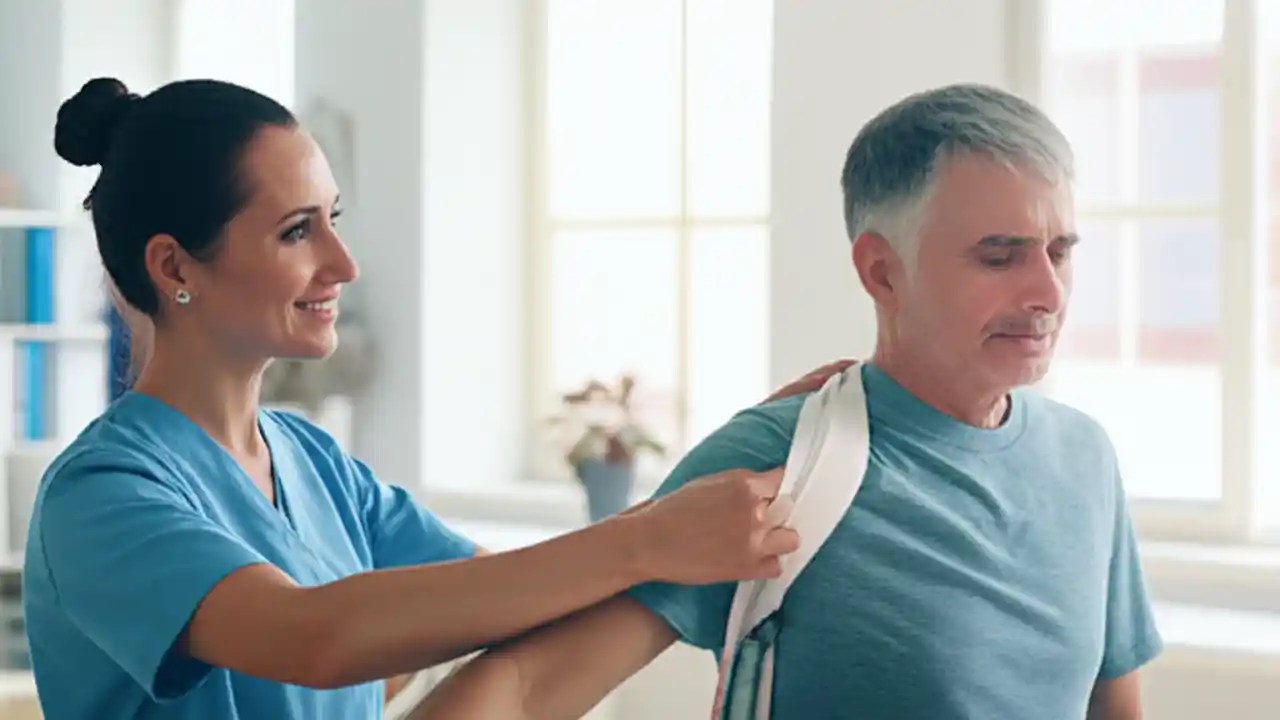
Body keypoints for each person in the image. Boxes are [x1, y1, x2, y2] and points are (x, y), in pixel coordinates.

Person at [21, 76, 846, 719]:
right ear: (174, 268)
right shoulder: (103, 498)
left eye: (333, 219)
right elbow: (319, 636)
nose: (344, 263)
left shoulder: (312, 463)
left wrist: (730, 465)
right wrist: (653, 540)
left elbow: (507, 601)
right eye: (297, 230)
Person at [412, 83, 1164, 720]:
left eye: (1060, 251)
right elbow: (523, 687)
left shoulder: (1084, 458)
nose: (1047, 292)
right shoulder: (778, 463)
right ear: (882, 271)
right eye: (999, 256)